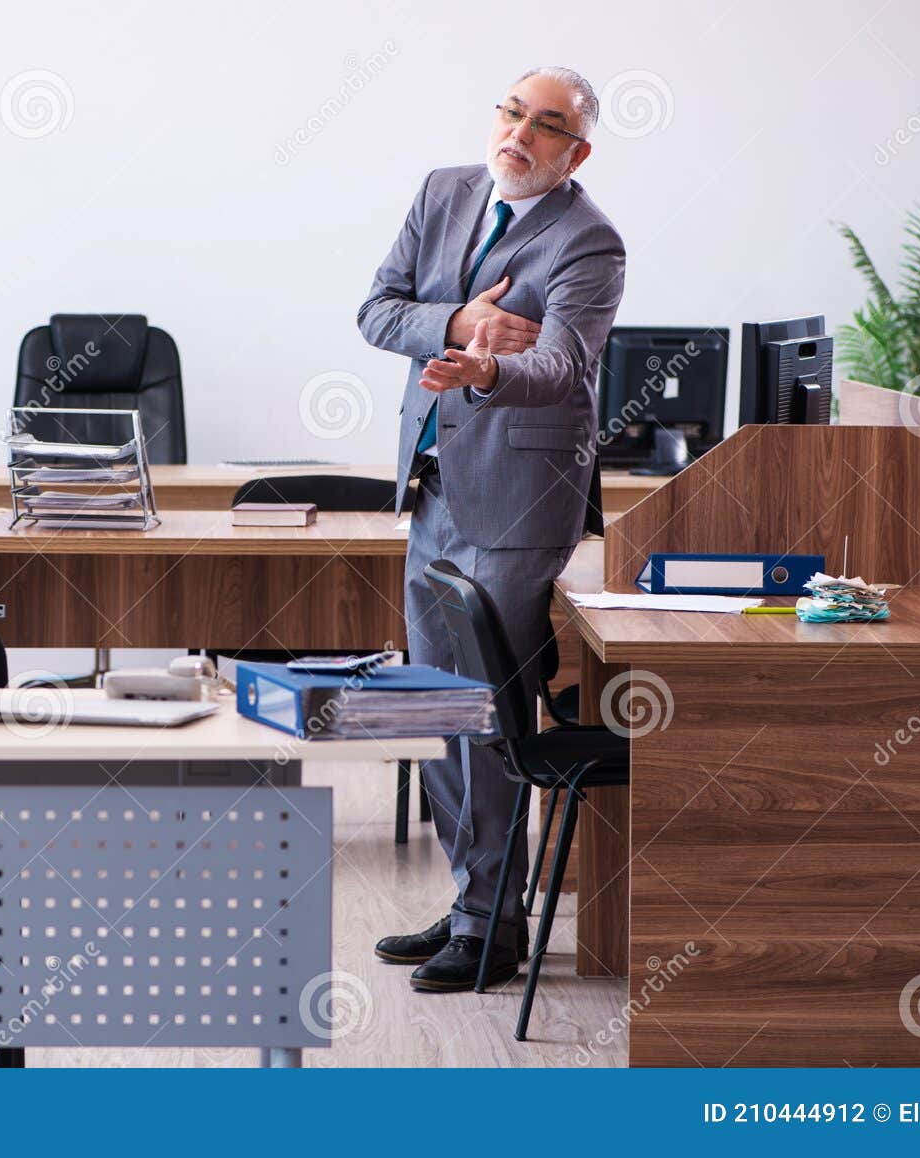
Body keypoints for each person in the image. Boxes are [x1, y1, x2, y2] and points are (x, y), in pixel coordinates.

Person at [357, 66, 625, 993]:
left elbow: (563, 366)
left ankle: (493, 927)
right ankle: (479, 900)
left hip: (516, 499)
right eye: (513, 112)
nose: (520, 134)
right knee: (437, 708)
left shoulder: (591, 242)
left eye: (547, 126)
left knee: (488, 713)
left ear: (576, 150)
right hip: (431, 487)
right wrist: (459, 323)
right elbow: (377, 310)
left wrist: (483, 373)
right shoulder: (444, 192)